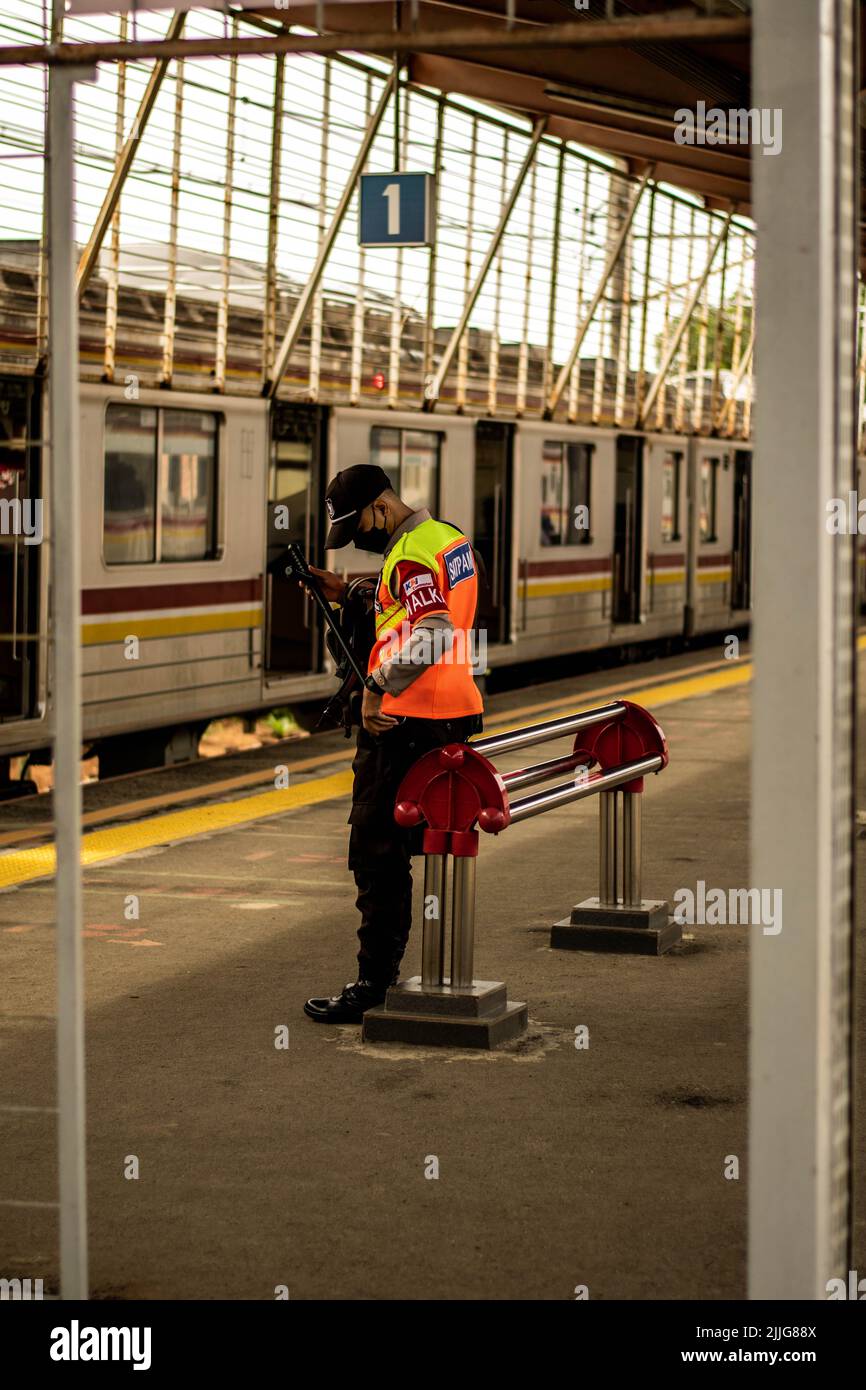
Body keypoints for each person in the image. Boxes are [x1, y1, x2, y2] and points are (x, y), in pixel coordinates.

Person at [303, 464, 484, 1024]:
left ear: (382, 508)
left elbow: (432, 631)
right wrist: (354, 591)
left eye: (360, 530)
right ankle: (395, 974)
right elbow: (423, 611)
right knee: (411, 847)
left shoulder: (407, 554)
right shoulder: (449, 539)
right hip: (450, 713)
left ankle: (374, 983)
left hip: (403, 723)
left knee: (377, 853)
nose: (361, 541)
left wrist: (376, 688)